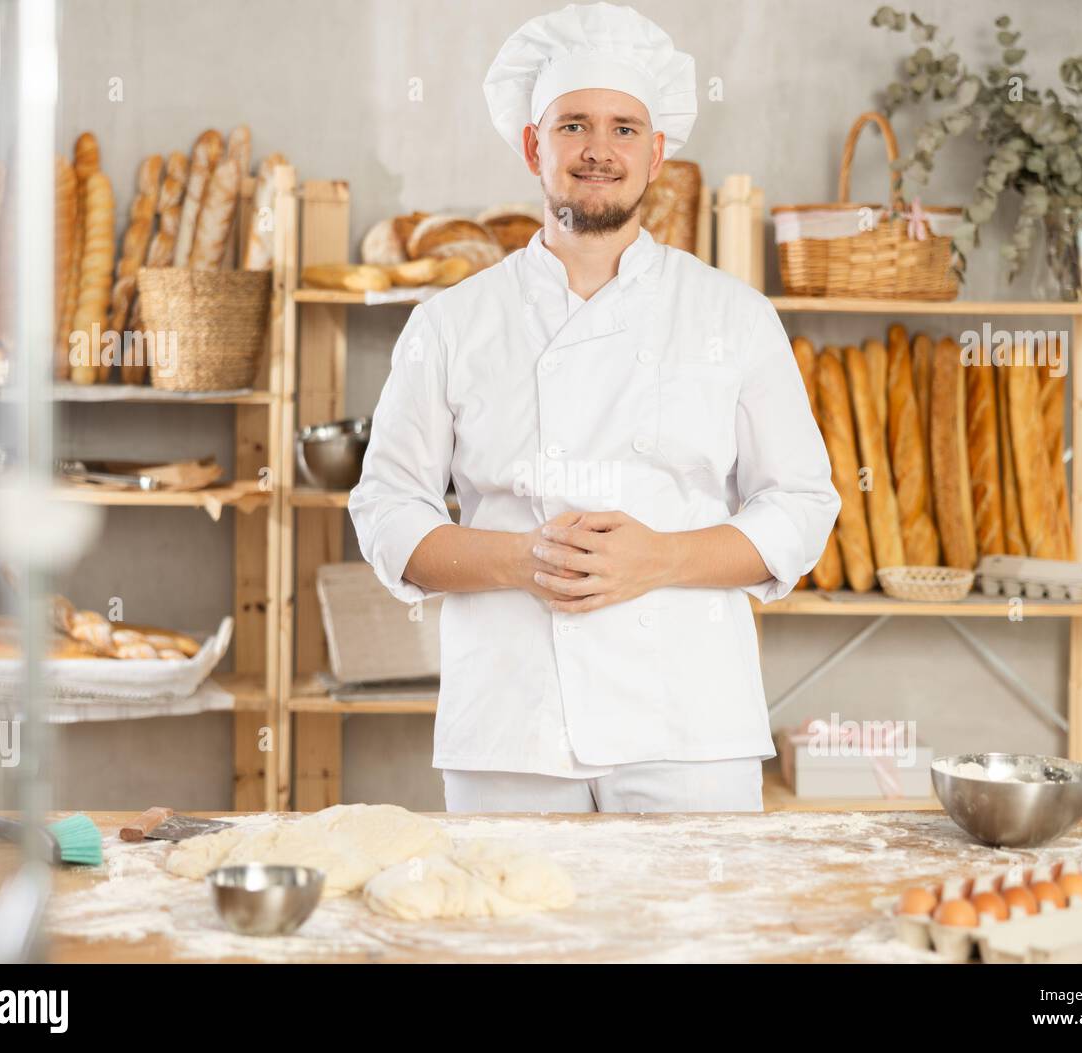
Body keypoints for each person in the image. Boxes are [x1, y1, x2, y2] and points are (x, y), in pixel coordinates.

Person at [348, 2, 840, 814]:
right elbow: (384, 510)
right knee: (517, 939)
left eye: (623, 128)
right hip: (511, 724)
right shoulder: (451, 323)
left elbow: (802, 504)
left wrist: (660, 558)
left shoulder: (733, 315)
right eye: (574, 125)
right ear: (535, 145)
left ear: (657, 153)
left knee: (687, 943)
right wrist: (522, 561)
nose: (598, 150)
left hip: (691, 726)